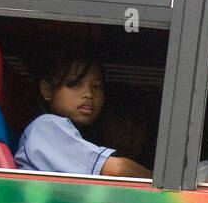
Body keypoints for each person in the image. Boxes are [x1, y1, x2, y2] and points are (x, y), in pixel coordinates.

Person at [15, 54, 152, 178]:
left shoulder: (74, 133)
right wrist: (168, 184)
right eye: (75, 84)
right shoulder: (46, 126)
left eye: (97, 86)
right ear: (47, 90)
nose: (88, 94)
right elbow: (117, 169)